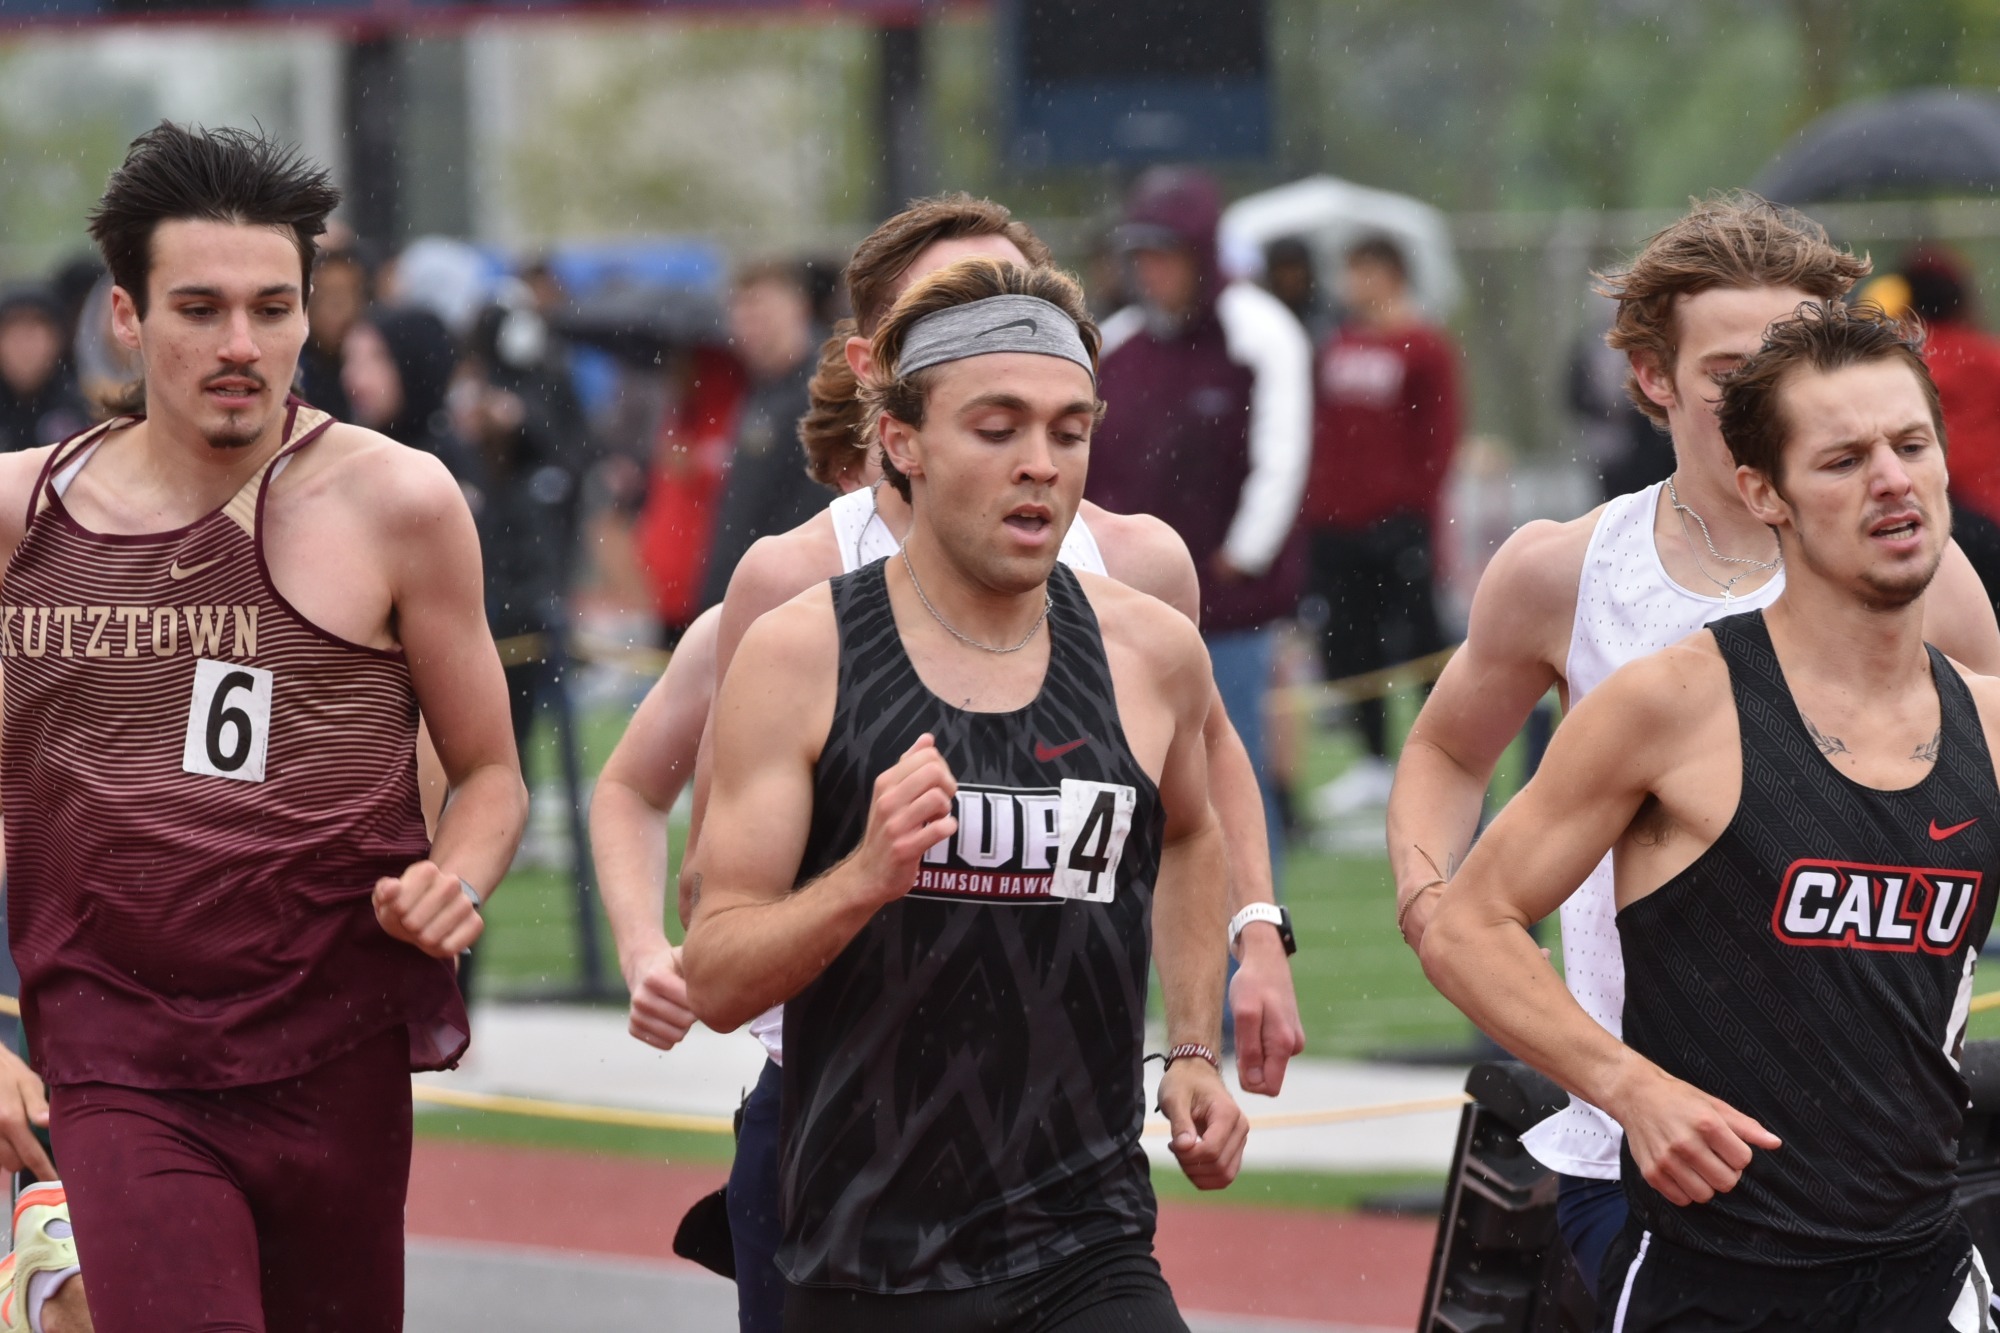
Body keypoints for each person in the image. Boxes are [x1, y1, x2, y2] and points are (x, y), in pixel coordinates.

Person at [590, 192, 1304, 1333]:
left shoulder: (1143, 614)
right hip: (858, 1200)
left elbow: (1195, 809)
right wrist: (855, 879)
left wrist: (1204, 1020)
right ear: (895, 412)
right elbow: (709, 924)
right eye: (996, 420)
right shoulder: (794, 609)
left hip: (1085, 1225)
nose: (1038, 462)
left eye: (1068, 429)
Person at [1386, 192, 2000, 1297]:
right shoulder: (1568, 570)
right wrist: (1431, 899)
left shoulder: (1929, 577)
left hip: (1884, 1160)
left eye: (1792, 353)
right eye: (1727, 372)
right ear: (1649, 377)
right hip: (1647, 1141)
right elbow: (1441, 754)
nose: (1765, 393)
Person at [0, 122, 524, 1331]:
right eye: (198, 307)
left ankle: (54, 1291)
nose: (241, 345)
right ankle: (67, 1267)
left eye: (271, 308)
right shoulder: (28, 515)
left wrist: (456, 877)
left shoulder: (399, 502)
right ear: (127, 319)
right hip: (117, 1057)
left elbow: (491, 771)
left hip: (332, 1054)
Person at [1086, 166, 1313, 883]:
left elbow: (1283, 455)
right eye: (1140, 255)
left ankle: (1250, 969)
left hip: (1228, 615)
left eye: (1165, 254)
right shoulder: (1117, 347)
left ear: (1202, 255)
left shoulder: (1259, 332)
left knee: (1231, 779)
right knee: (1125, 790)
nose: (1149, 271)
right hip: (1121, 612)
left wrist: (1241, 557)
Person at [1305, 234, 1461, 818]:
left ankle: (1443, 762)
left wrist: (1411, 510)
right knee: (1347, 644)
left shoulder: (1424, 345)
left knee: (1422, 642)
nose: (1353, 285)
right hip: (1335, 525)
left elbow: (1439, 437)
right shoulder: (1337, 343)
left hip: (1397, 526)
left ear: (1392, 274)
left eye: (1363, 271)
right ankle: (1373, 761)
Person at [697, 261, 831, 611]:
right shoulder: (760, 390)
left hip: (794, 601)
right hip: (742, 596)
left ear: (798, 308)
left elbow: (823, 507)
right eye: (740, 315)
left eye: (760, 313)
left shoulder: (827, 389)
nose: (748, 328)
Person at [0, 289, 88, 455]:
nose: (24, 347)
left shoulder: (84, 408)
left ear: (58, 340)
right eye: (14, 334)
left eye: (33, 333)